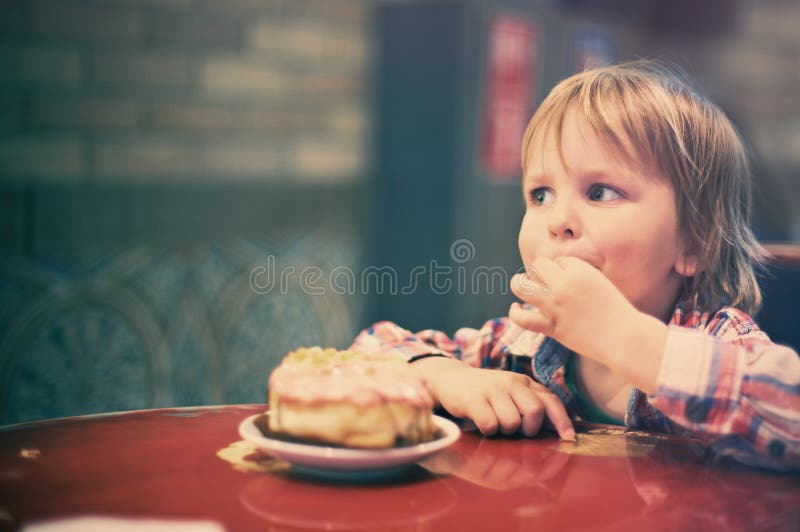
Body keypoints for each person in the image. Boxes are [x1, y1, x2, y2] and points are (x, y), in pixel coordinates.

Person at [351, 59, 799, 471]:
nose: (559, 220)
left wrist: (624, 337)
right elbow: (367, 351)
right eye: (540, 195)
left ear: (695, 240)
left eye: (601, 192)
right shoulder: (519, 347)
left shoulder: (719, 337)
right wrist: (446, 376)